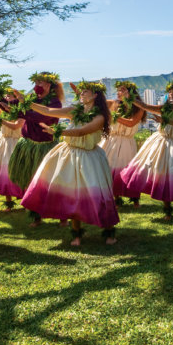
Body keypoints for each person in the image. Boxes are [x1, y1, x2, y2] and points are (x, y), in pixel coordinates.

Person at [20, 81, 118, 246]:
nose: (81, 94)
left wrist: (58, 131)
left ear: (95, 95)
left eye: (85, 92)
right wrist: (25, 102)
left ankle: (109, 233)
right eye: (81, 92)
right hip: (69, 153)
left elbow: (81, 131)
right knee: (72, 194)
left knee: (98, 195)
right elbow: (48, 110)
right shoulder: (75, 110)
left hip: (89, 157)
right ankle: (76, 234)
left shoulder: (100, 116)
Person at [0, 72, 64, 226]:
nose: (37, 86)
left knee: (51, 182)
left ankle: (62, 215)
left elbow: (39, 117)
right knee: (30, 180)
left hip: (45, 147)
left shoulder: (55, 103)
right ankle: (36, 217)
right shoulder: (31, 100)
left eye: (40, 82)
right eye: (36, 82)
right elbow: (11, 108)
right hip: (28, 145)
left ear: (50, 84)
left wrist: (22, 109)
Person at [120, 82, 173, 220]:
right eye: (170, 92)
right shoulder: (164, 107)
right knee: (162, 176)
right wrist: (129, 97)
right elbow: (145, 106)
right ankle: (167, 210)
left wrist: (165, 120)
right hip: (162, 143)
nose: (172, 95)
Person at [101, 81, 145, 207]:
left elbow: (131, 123)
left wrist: (112, 116)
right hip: (111, 140)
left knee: (127, 169)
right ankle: (116, 198)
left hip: (126, 141)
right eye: (118, 90)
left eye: (123, 90)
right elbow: (97, 104)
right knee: (110, 168)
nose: (119, 93)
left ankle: (135, 199)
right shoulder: (113, 103)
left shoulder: (139, 107)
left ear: (131, 93)